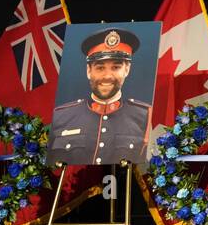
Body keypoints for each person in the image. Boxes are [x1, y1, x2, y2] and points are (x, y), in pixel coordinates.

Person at [48, 28, 152, 166]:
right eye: (100, 68)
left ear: (127, 69)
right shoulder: (61, 116)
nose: (107, 76)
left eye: (115, 67)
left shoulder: (145, 116)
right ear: (88, 70)